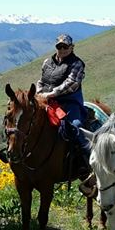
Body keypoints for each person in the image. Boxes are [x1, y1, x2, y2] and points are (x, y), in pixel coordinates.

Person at [33, 34, 91, 176]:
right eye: (59, 46)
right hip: (46, 101)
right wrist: (40, 92)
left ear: (71, 47)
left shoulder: (77, 63)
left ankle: (87, 161)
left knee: (75, 126)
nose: (62, 49)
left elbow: (71, 83)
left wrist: (51, 93)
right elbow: (41, 80)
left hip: (69, 103)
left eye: (66, 46)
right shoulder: (47, 62)